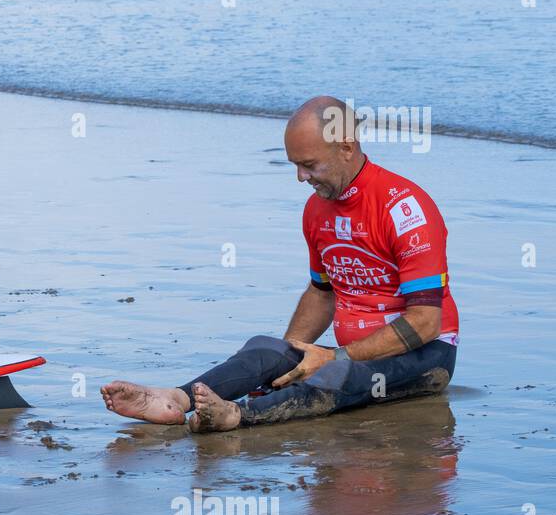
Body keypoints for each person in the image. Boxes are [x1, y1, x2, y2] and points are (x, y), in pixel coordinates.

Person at [102, 95, 459, 432]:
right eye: (296, 166)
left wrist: (335, 357)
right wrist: (284, 362)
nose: (301, 178)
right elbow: (322, 293)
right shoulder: (317, 210)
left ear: (347, 148)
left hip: (425, 357)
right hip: (348, 354)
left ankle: (236, 415)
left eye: (309, 165)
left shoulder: (405, 209)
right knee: (266, 348)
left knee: (335, 374)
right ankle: (174, 398)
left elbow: (426, 323)